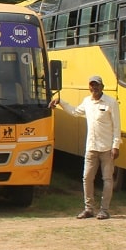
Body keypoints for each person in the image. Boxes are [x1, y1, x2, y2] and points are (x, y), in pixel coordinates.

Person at [50, 74, 121, 220]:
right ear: (89, 87)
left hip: (106, 148)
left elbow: (117, 126)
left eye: (97, 85)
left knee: (107, 179)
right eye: (92, 85)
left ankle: (104, 210)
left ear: (102, 87)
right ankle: (89, 209)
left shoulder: (110, 102)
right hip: (91, 147)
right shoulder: (87, 101)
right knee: (87, 178)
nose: (94, 88)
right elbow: (75, 112)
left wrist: (116, 145)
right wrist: (60, 101)